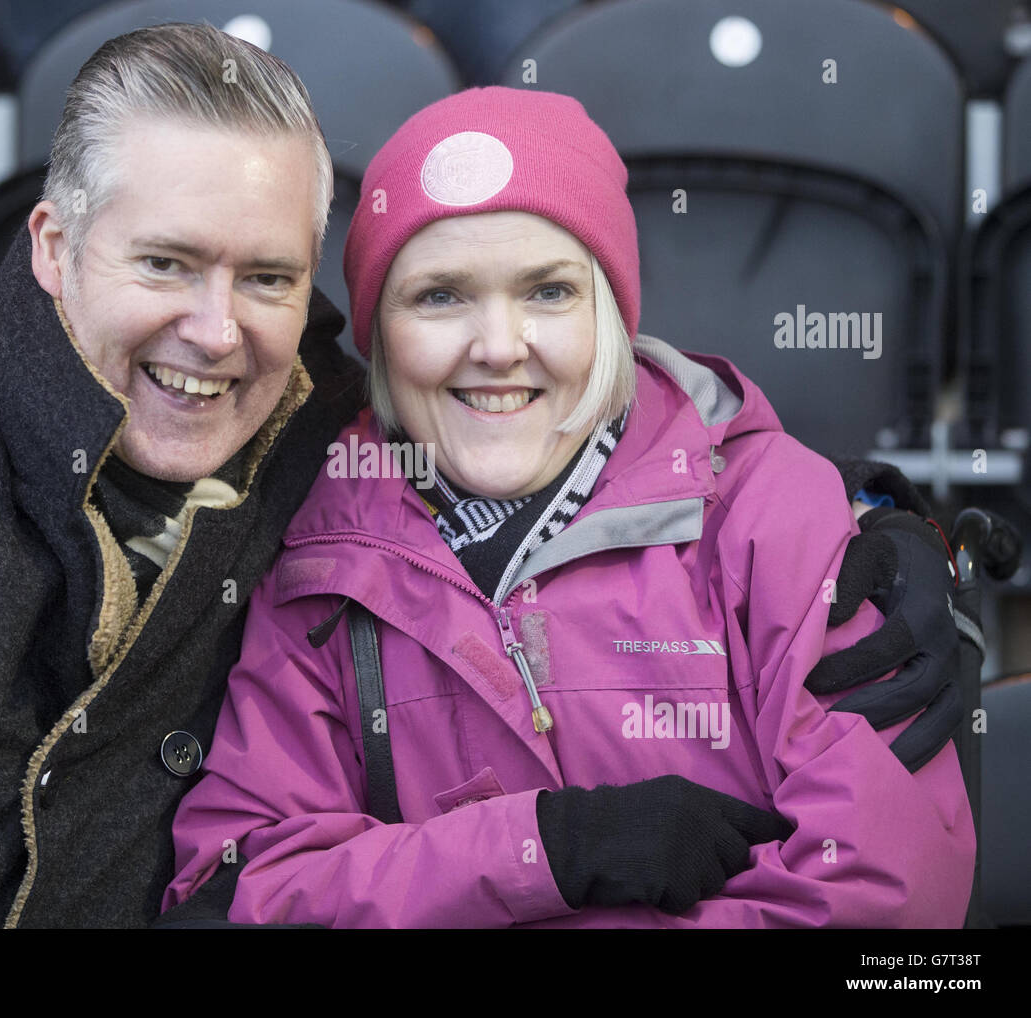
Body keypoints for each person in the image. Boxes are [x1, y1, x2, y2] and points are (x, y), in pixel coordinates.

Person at [0, 24, 965, 929]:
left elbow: (638, 436)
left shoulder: (313, 422)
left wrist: (882, 523)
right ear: (54, 248)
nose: (216, 331)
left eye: (268, 277)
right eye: (165, 262)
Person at [163, 87, 976, 927]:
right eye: (439, 295)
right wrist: (544, 847)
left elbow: (887, 899)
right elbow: (241, 888)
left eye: (548, 291)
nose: (499, 346)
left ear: (611, 315)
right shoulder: (317, 547)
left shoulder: (772, 513)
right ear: (378, 334)